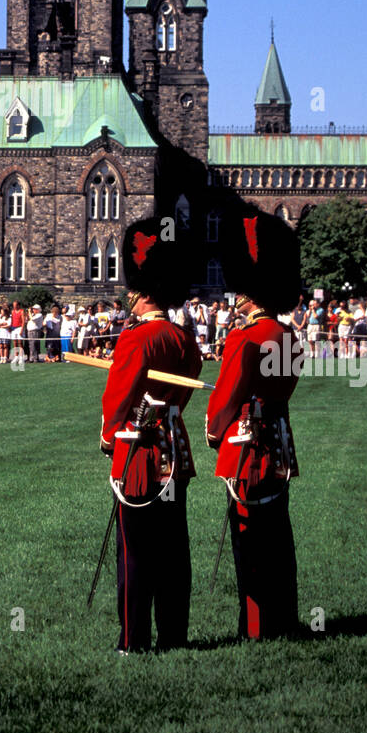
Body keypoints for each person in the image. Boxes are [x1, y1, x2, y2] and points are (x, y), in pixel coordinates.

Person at [99, 216, 201, 654]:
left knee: (135, 553)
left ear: (141, 292)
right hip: (174, 453)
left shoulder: (136, 338)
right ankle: (174, 635)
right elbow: (188, 386)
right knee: (173, 552)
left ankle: (134, 640)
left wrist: (108, 438)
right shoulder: (183, 339)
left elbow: (116, 402)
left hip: (139, 457)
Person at [206, 210, 301, 641]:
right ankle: (284, 618)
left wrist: (212, 429)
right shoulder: (289, 337)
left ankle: (258, 628)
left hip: (247, 447)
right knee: (279, 536)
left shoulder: (244, 337)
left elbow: (225, 399)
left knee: (250, 538)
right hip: (279, 442)